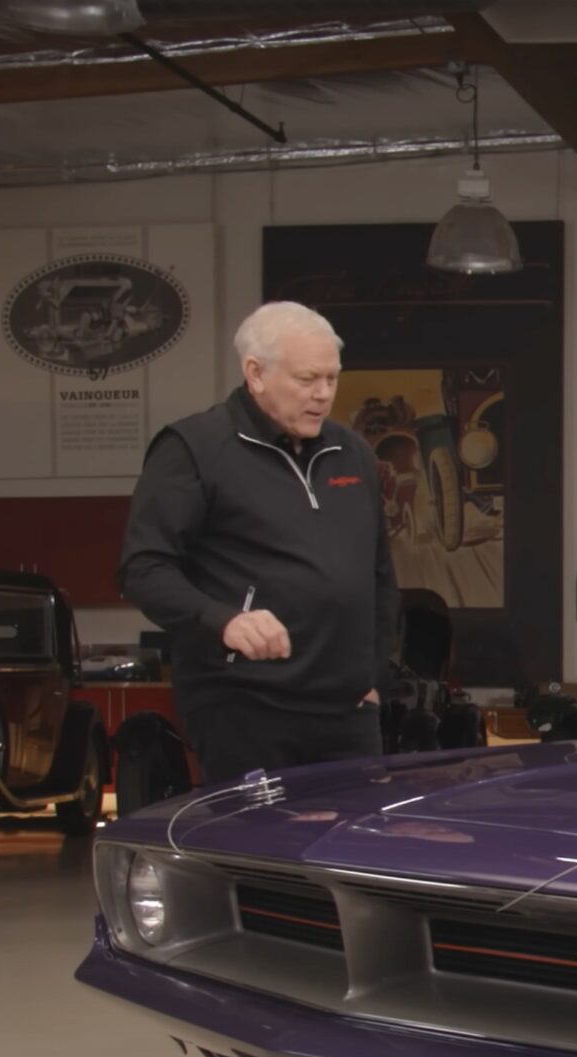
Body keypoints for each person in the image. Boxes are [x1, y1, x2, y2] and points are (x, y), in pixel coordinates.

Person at [118, 300, 398, 783]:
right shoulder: (195, 449)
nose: (323, 395)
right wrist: (222, 620)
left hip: (348, 712)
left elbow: (379, 576)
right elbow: (143, 569)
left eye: (332, 378)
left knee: (354, 850)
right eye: (307, 379)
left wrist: (374, 677)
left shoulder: (350, 452)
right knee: (262, 852)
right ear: (256, 373)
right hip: (243, 708)